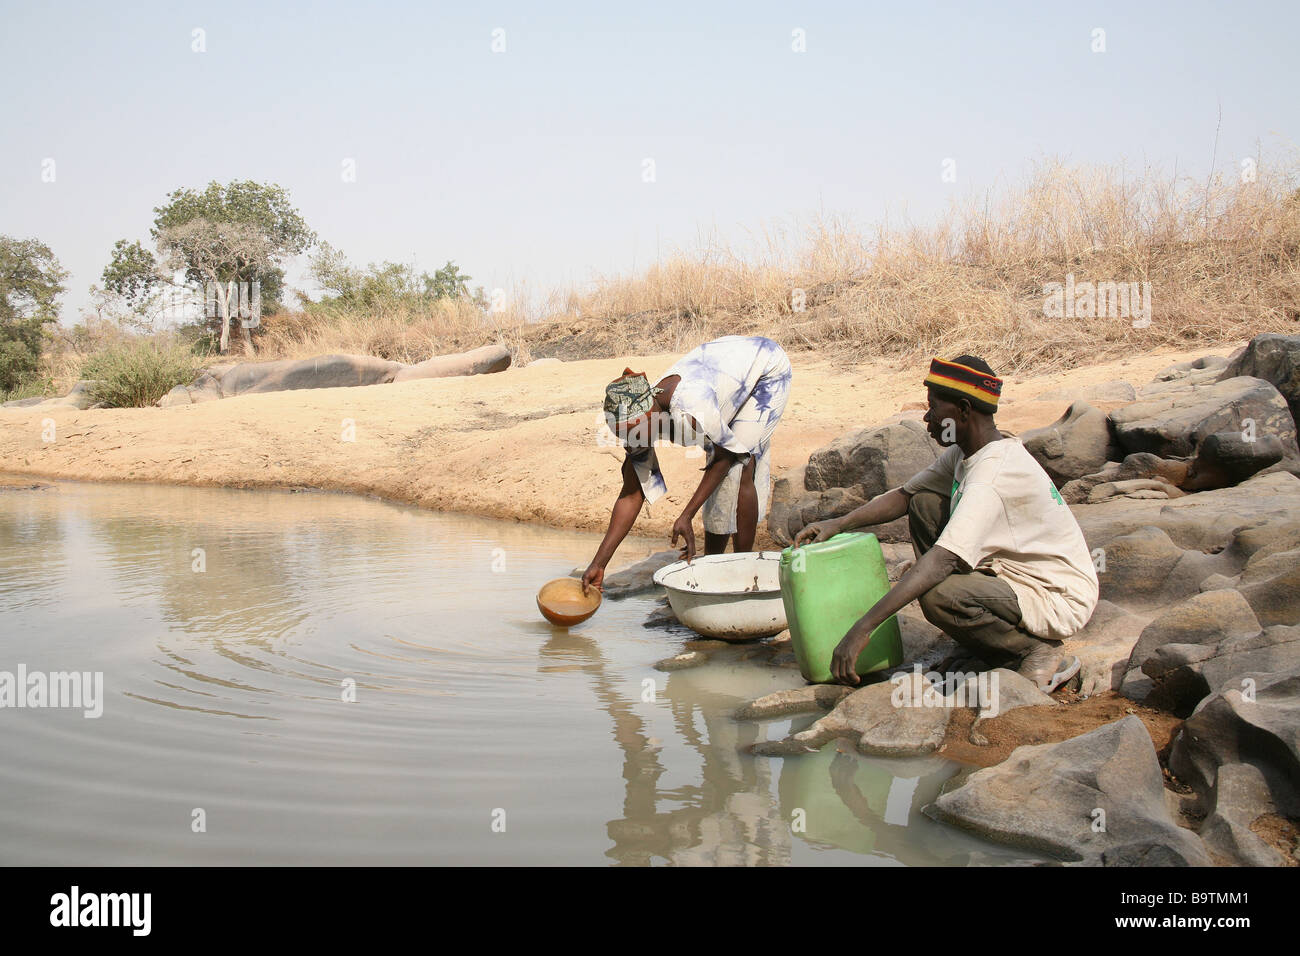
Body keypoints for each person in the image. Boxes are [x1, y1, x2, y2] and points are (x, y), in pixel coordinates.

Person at [793, 355, 1098, 691]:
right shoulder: (966, 453)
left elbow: (943, 561)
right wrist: (839, 523)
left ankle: (1034, 650)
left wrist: (863, 628)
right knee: (925, 504)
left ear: (964, 411)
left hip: (1055, 594)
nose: (927, 418)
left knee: (938, 594)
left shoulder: (992, 475)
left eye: (934, 407)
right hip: (1011, 576)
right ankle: (983, 644)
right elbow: (906, 497)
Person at [582, 335, 793, 595]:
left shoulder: (690, 407)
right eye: (623, 435)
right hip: (724, 372)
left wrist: (687, 514)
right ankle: (710, 571)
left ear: (650, 412)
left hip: (765, 370)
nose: (633, 440)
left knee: (741, 466)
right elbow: (631, 494)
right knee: (721, 466)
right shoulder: (642, 423)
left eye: (634, 431)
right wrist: (599, 563)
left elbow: (726, 455)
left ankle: (744, 572)